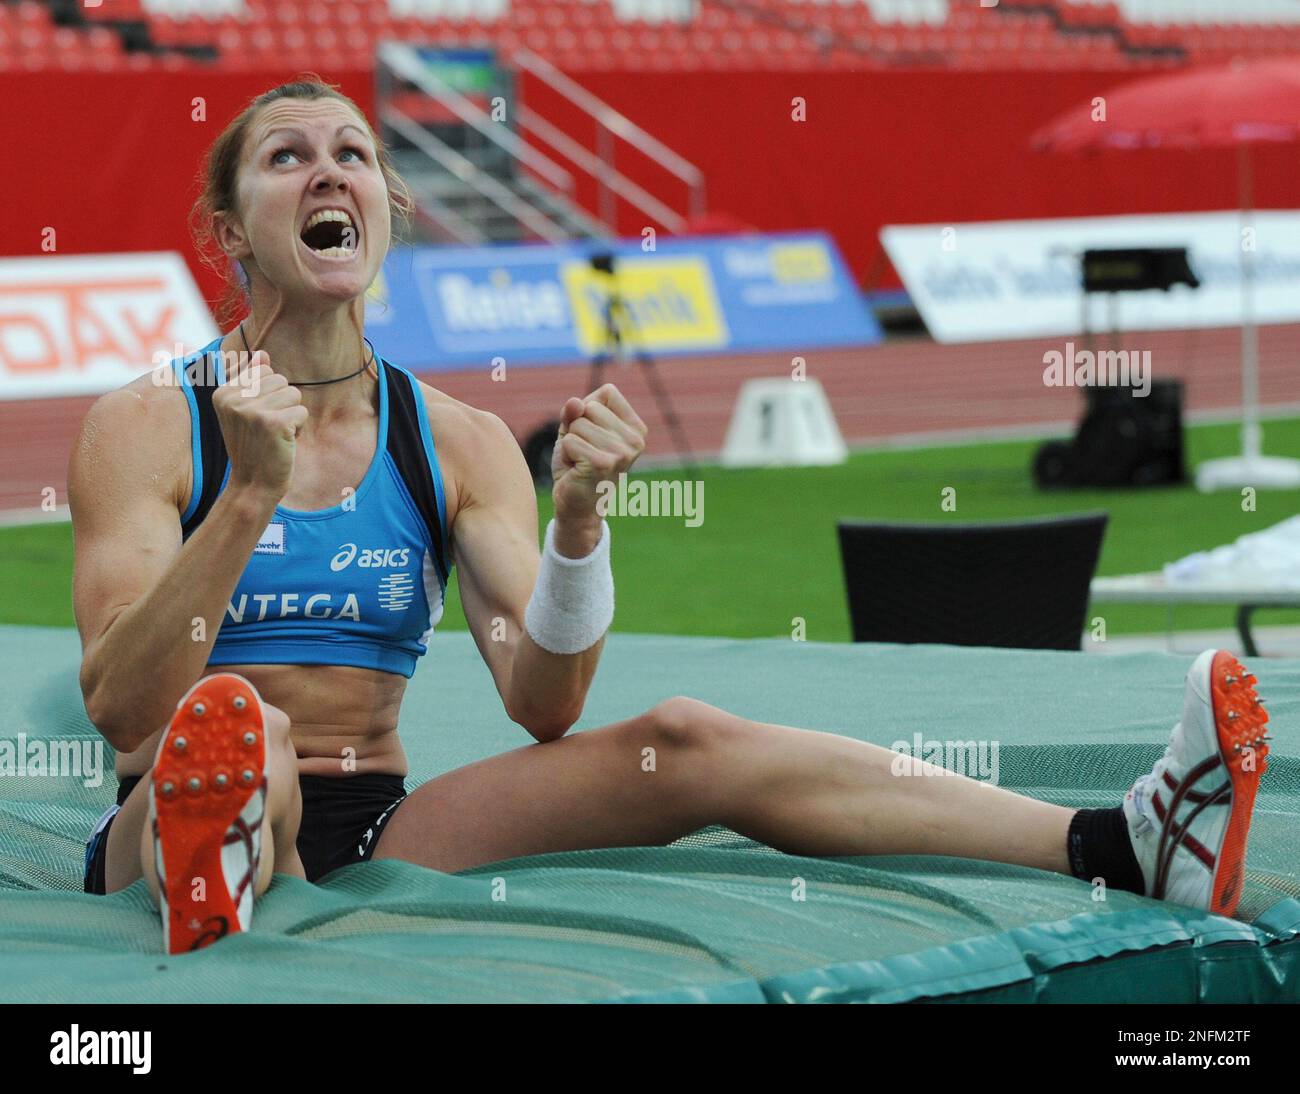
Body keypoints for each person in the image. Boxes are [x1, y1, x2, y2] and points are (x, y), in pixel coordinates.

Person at [69, 77, 1271, 954]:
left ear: (385, 208)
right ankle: (220, 853)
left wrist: (580, 527)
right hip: (162, 801)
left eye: (353, 153)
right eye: (288, 155)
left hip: (378, 820)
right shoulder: (147, 421)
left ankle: (1117, 840)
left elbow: (545, 701)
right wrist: (250, 497)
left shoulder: (456, 438)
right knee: (245, 732)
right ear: (230, 234)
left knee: (686, 733)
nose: (330, 170)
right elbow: (123, 704)